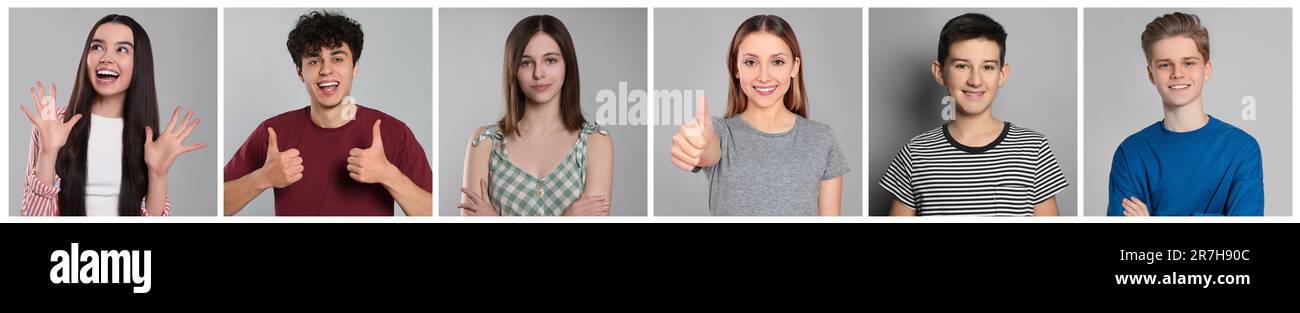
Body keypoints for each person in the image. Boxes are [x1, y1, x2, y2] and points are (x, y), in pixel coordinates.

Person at [223, 10, 433, 216]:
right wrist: (262, 178)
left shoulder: (394, 133)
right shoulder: (272, 134)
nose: (326, 70)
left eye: (337, 59)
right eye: (314, 61)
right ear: (300, 72)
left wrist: (389, 176)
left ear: (355, 67)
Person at [879, 13, 1067, 216]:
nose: (975, 80)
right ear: (940, 73)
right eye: (962, 66)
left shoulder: (1033, 149)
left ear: (1001, 74)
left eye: (987, 67)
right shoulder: (914, 155)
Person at [21, 14, 206, 216]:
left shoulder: (148, 139)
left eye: (122, 50)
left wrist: (158, 175)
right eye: (97, 47)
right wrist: (48, 153)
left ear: (139, 64)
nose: (106, 58)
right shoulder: (54, 123)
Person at [668, 15, 848, 216]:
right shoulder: (721, 133)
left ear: (795, 66)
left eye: (777, 62)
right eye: (751, 62)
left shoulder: (822, 138)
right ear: (736, 67)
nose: (763, 76)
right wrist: (697, 147)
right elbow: (708, 149)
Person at [1107, 12, 1263, 216]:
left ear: (1206, 70)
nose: (1177, 73)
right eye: (1165, 65)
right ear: (1151, 74)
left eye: (1188, 63)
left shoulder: (1242, 149)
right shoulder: (1130, 154)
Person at [458, 15, 614, 216]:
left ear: (567, 65)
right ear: (512, 69)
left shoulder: (595, 142)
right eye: (526, 63)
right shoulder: (484, 143)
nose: (539, 73)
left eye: (550, 60)